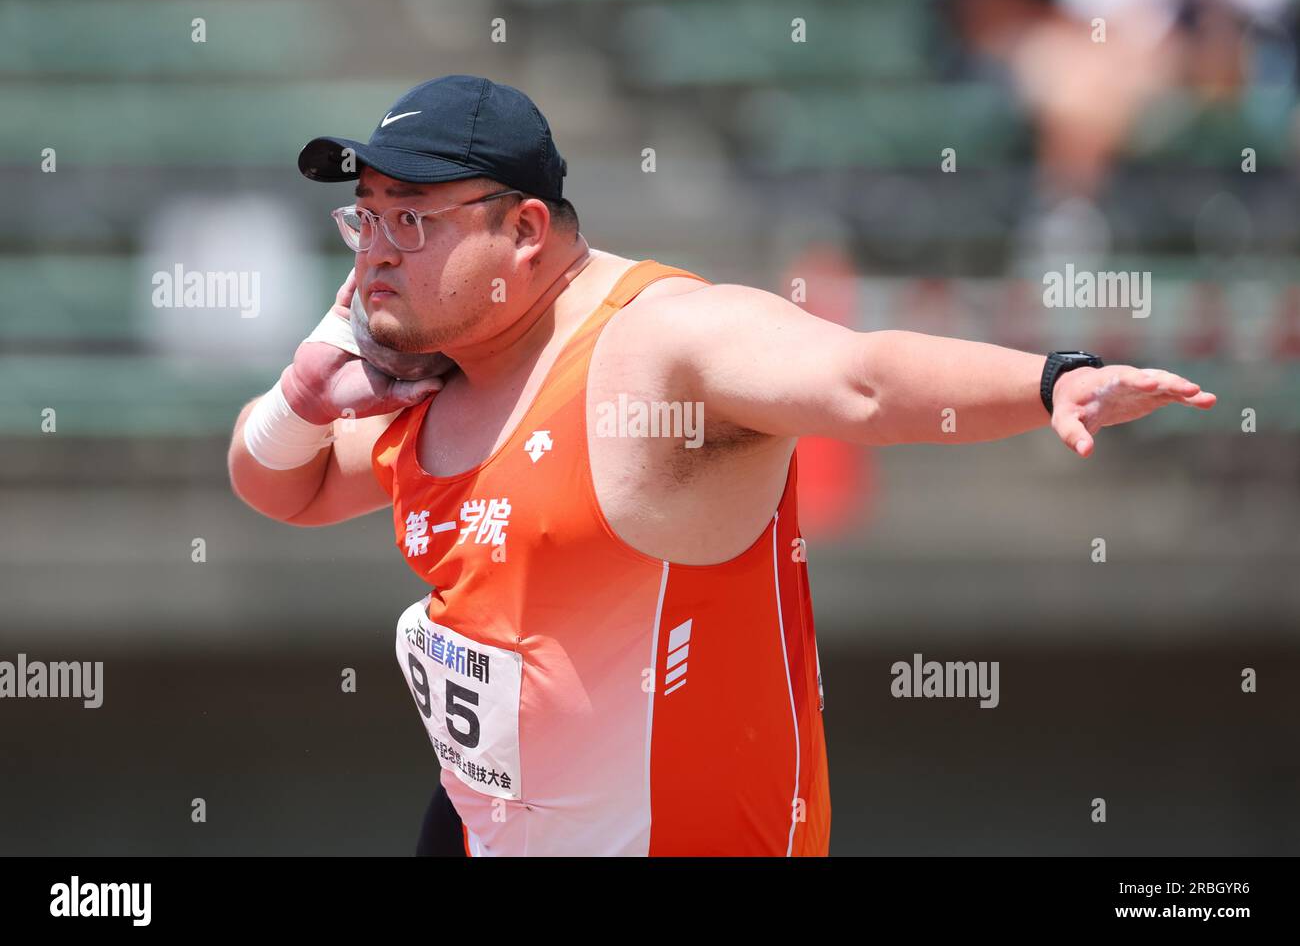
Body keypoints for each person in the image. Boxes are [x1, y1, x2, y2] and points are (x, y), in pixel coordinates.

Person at [227, 75, 1216, 856]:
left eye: (411, 218)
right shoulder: (431, 371)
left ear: (523, 231)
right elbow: (288, 486)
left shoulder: (660, 342)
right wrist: (297, 401)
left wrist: (1049, 378)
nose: (375, 254)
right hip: (481, 830)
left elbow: (859, 378)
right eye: (363, 219)